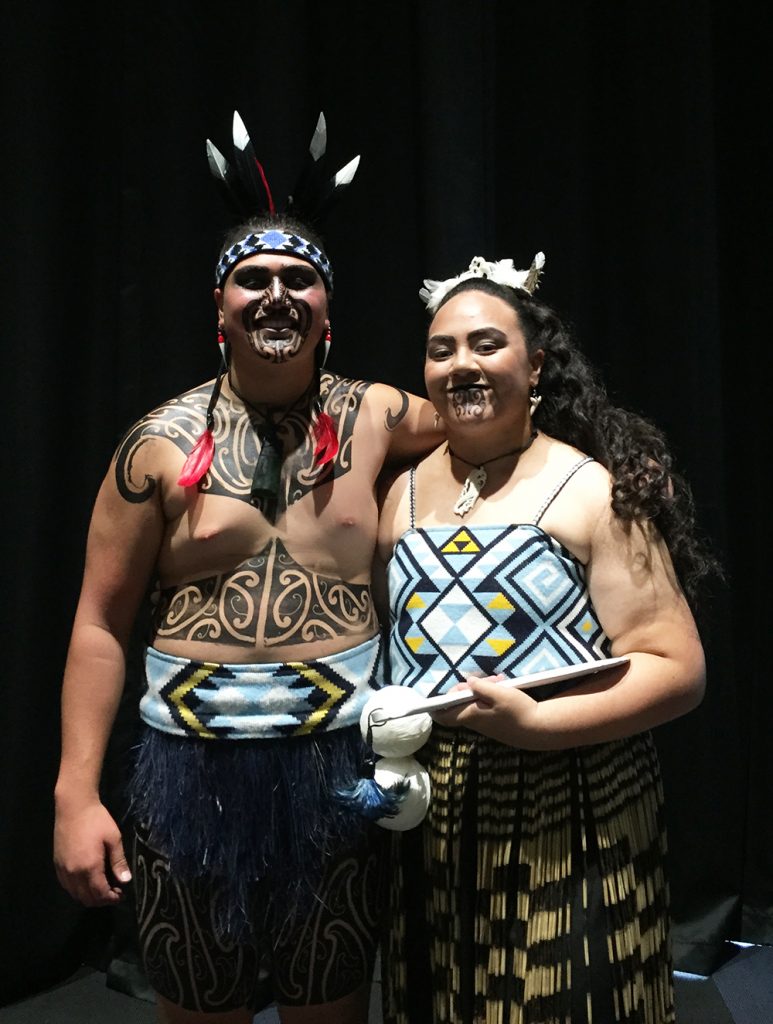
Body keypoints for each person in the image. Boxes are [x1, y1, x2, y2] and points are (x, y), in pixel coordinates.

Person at [53, 111, 443, 1024]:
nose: (276, 295)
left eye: (298, 279)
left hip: (335, 763)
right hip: (190, 774)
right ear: (217, 308)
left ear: (327, 310)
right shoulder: (157, 445)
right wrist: (75, 794)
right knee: (200, 1004)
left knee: (330, 1003)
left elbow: (490, 420)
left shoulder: (378, 416)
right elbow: (98, 625)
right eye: (252, 279)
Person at [374, 254, 719, 1024]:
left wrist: (539, 728)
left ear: (534, 366)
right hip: (435, 828)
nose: (462, 364)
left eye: (486, 345)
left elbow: (676, 669)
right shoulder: (396, 497)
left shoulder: (587, 489)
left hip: (573, 813)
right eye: (441, 350)